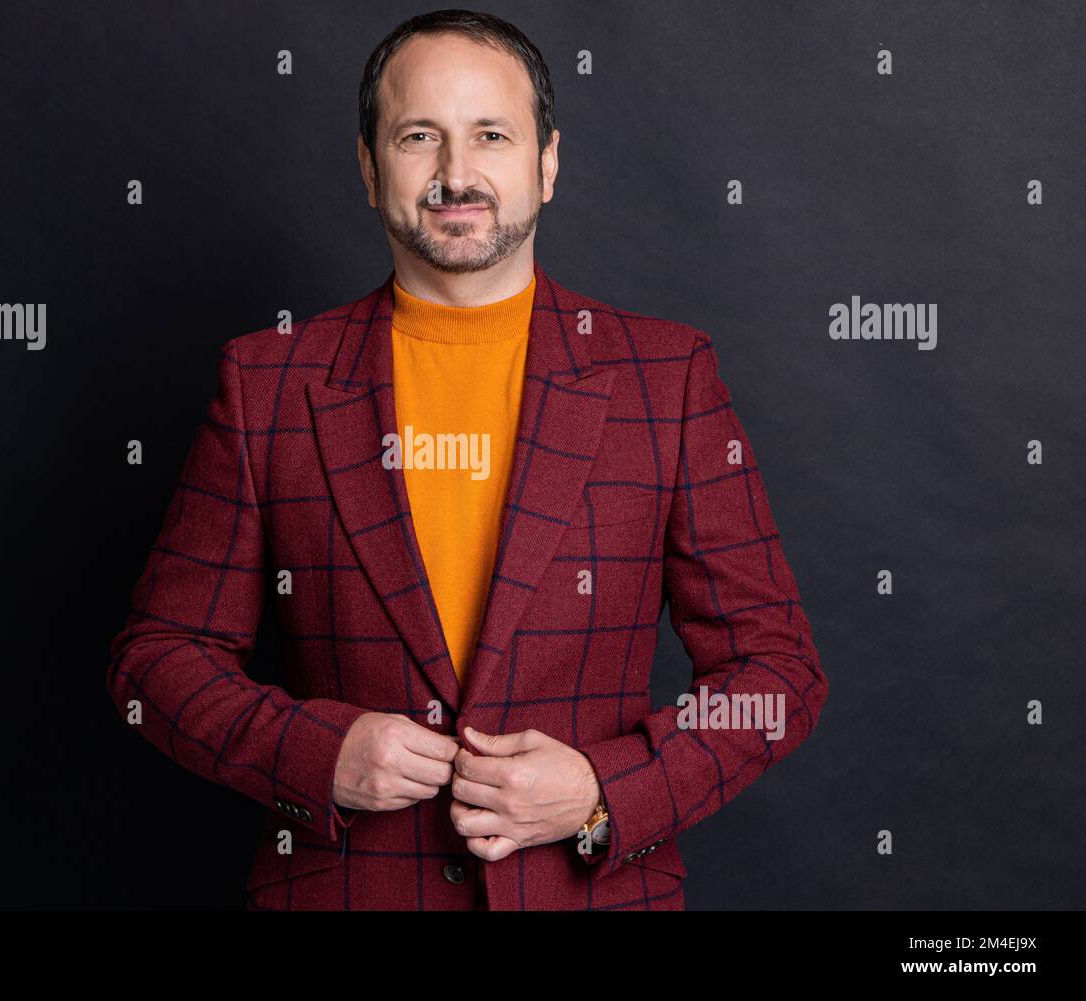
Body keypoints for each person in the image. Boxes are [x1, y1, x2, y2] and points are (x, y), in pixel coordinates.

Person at [106, 8, 829, 911]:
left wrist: (607, 791)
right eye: (419, 137)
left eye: (491, 134)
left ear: (547, 162)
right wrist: (316, 750)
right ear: (370, 168)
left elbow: (776, 677)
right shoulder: (268, 382)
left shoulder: (668, 377)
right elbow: (157, 659)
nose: (456, 174)